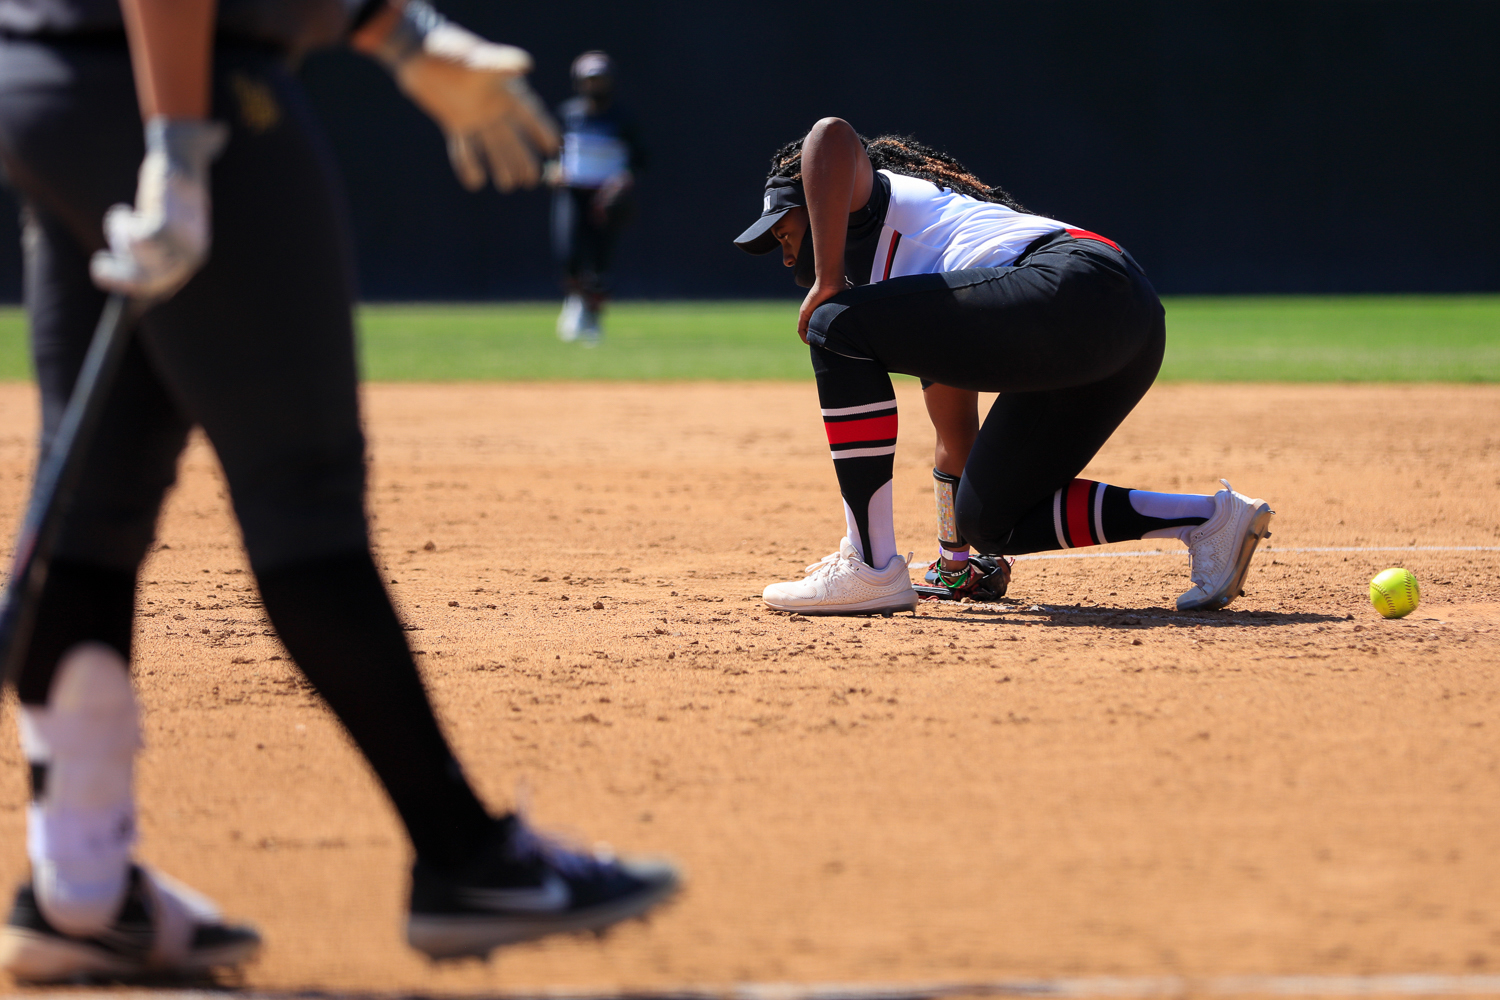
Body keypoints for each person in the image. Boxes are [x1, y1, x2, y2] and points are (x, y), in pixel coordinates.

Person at [0, 0, 677, 981]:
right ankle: (465, 856)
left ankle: (80, 890)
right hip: (190, 82)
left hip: (55, 82)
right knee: (301, 488)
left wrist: (398, 34)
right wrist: (178, 144)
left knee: (95, 497)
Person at [734, 118, 1274, 616]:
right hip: (1120, 330)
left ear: (811, 200)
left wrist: (829, 282)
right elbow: (954, 430)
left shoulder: (873, 203)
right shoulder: (919, 289)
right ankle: (1211, 521)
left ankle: (869, 565)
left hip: (1080, 282)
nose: (786, 258)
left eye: (784, 235)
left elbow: (828, 136)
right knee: (991, 519)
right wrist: (954, 556)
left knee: (832, 322)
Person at [549, 50, 644, 345]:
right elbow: (552, 151)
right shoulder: (569, 114)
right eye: (590, 79)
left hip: (606, 197)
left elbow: (640, 159)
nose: (595, 85)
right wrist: (552, 169)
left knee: (600, 265)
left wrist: (624, 179)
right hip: (573, 192)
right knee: (570, 255)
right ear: (579, 81)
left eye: (600, 79)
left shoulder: (622, 118)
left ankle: (592, 317)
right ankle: (574, 305)